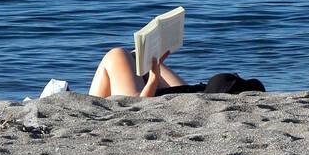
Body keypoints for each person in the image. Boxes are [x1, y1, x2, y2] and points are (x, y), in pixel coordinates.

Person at [89, 47, 264, 98]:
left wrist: (153, 80)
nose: (238, 74)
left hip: (145, 97)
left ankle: (97, 105)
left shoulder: (227, 90)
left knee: (118, 53)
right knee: (138, 55)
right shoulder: (230, 91)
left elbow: (136, 106)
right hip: (190, 91)